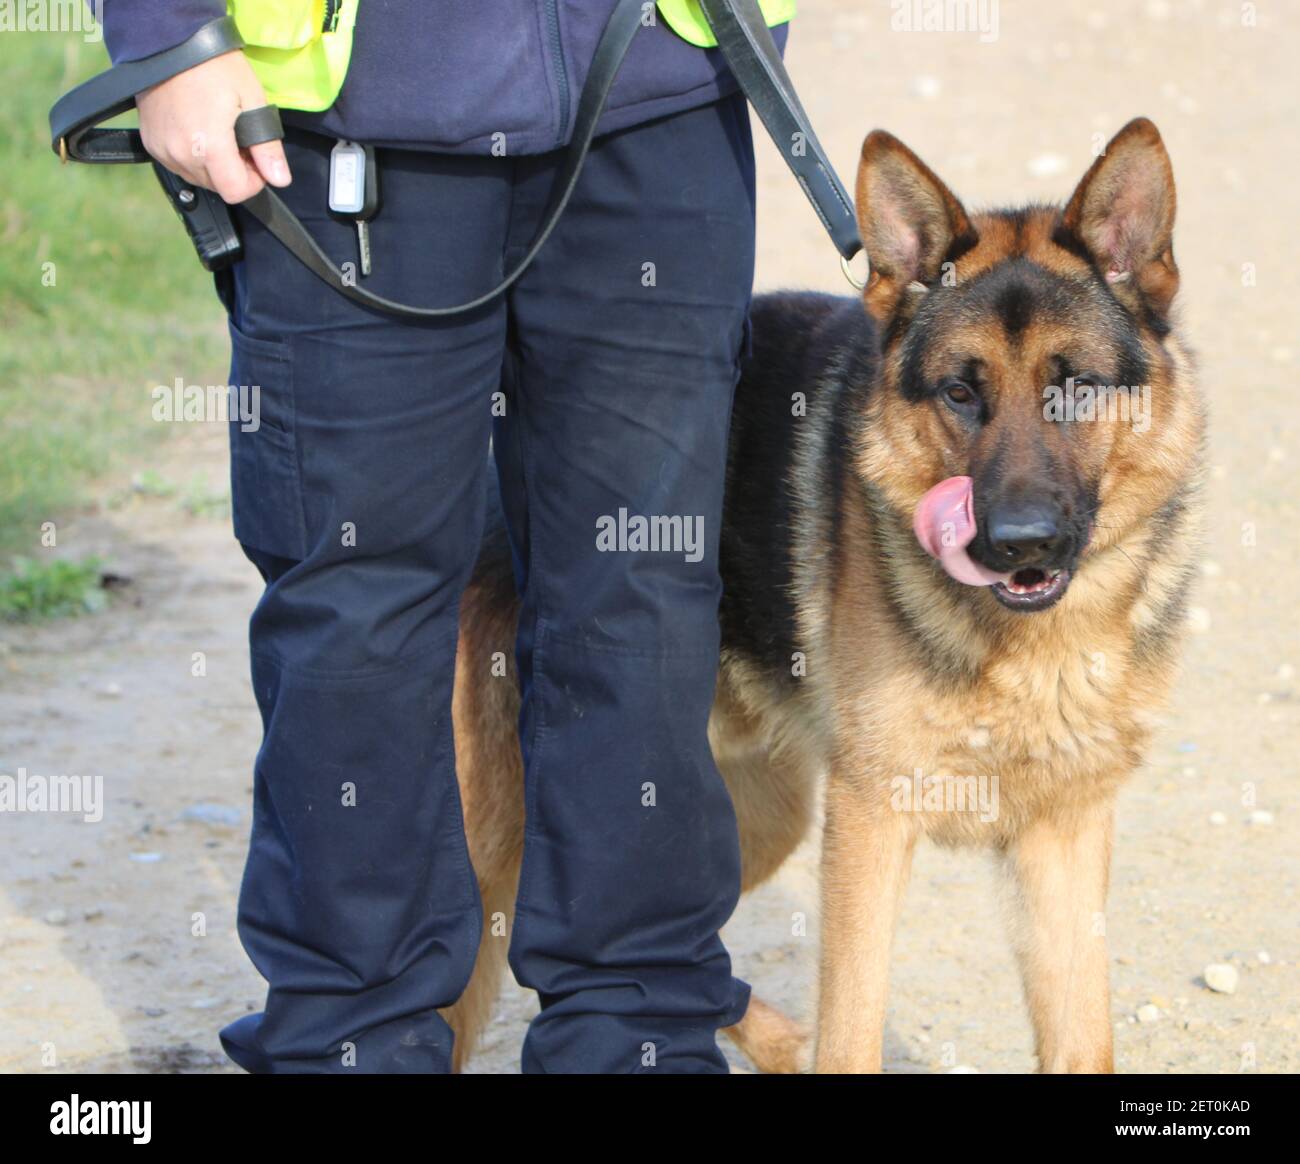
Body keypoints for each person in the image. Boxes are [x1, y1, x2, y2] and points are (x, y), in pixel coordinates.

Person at [106, 0, 793, 1073]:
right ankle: (352, 1038)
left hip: (660, 84)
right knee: (355, 602)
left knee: (641, 588)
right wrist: (165, 33)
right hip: (338, 117)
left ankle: (637, 1033)